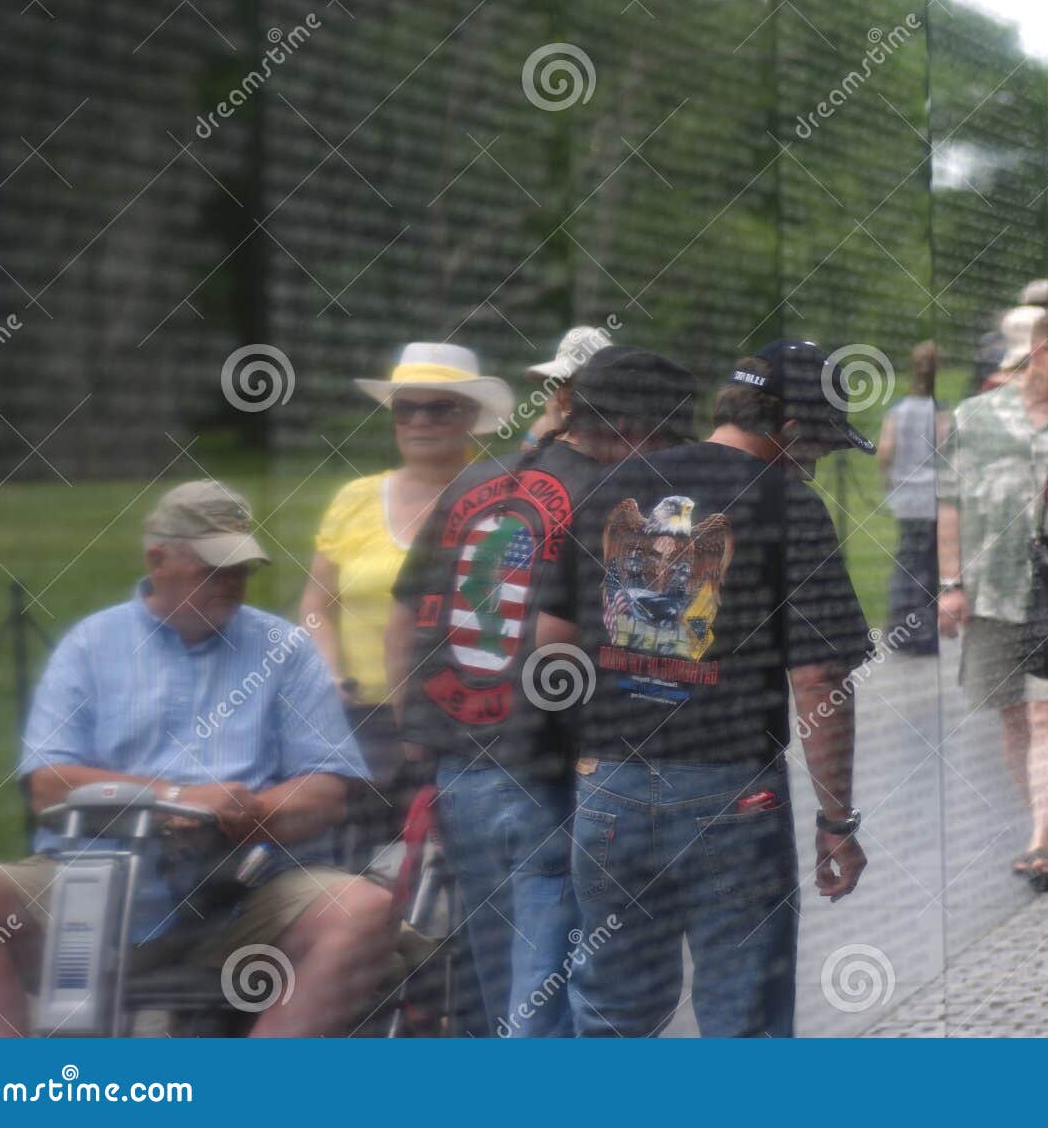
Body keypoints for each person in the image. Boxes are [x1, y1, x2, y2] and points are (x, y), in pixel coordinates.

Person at [0, 481, 392, 1037]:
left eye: (242, 568)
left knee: (363, 910)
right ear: (157, 559)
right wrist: (181, 800)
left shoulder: (284, 649)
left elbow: (329, 790)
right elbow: (48, 783)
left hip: (245, 888)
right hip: (93, 881)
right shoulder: (91, 645)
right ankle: (11, 1098)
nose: (232, 582)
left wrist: (252, 814)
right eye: (213, 568)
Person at [537, 339, 872, 1037]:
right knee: (742, 1019)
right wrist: (836, 821)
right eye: (817, 448)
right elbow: (819, 677)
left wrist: (590, 760)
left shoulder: (607, 486)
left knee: (611, 1016)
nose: (814, 463)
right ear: (788, 432)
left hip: (609, 786)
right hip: (732, 795)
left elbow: (550, 646)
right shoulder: (790, 503)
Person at [386, 345, 696, 1037]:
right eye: (669, 436)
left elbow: (405, 608)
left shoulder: (474, 481)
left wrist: (411, 726)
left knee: (505, 987)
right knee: (546, 997)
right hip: (556, 771)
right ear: (629, 424)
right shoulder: (617, 500)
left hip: (461, 760)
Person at [302, 343, 514, 864]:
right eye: (406, 408)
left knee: (465, 864)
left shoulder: (503, 498)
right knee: (353, 867)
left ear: (470, 417)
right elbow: (315, 602)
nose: (419, 420)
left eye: (438, 407)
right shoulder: (355, 499)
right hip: (361, 720)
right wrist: (328, 671)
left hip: (464, 719)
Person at [937, 309, 1048, 891]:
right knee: (1014, 714)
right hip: (992, 586)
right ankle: (1046, 827)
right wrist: (950, 584)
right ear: (1040, 354)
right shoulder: (975, 417)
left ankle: (1040, 837)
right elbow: (949, 502)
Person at [877, 340, 944, 653]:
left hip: (906, 498)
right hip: (932, 498)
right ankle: (923, 632)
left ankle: (899, 630)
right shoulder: (940, 413)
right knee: (928, 566)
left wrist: (886, 481)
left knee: (905, 563)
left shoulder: (898, 411)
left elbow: (886, 450)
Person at [520, 324, 613, 450]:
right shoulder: (544, 426)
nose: (559, 394)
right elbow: (524, 464)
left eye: (569, 383)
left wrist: (555, 435)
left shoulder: (619, 438)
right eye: (557, 382)